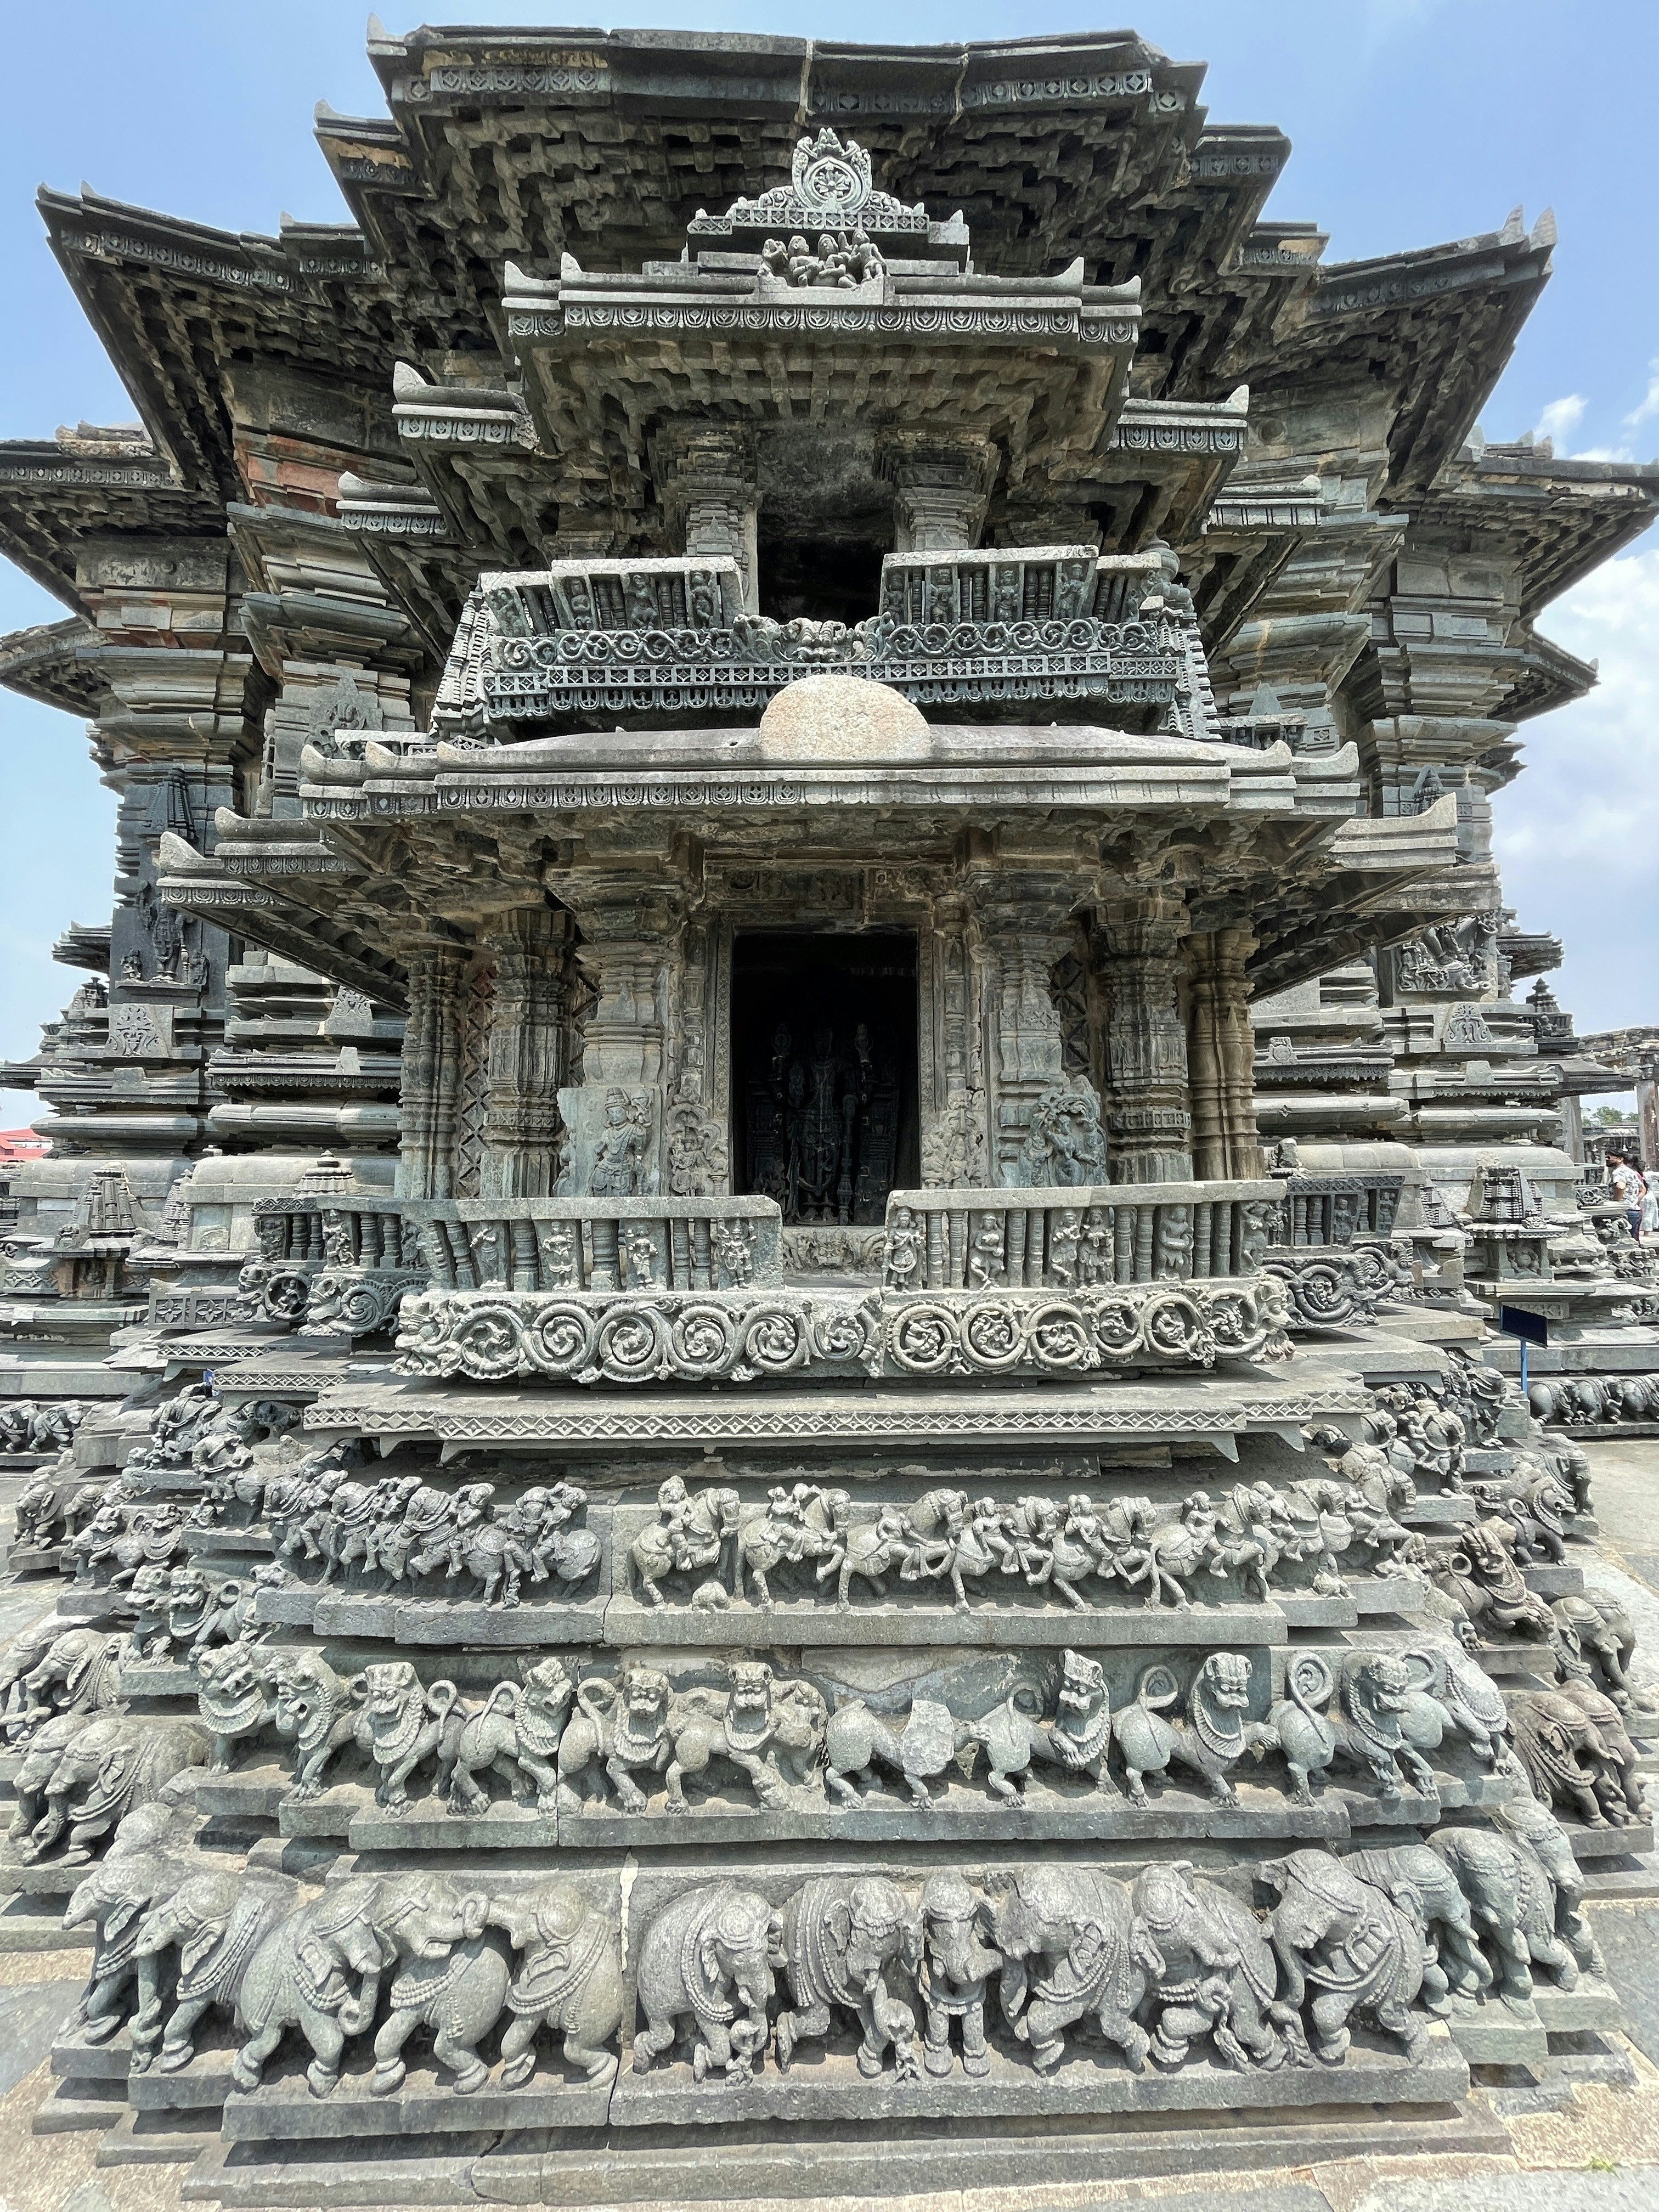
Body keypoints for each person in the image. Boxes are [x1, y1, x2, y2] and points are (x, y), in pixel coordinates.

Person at [1607, 1152, 1645, 1241]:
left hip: (1625, 1211)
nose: (1607, 1159)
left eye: (1609, 1157)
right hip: (1634, 1210)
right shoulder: (1631, 1171)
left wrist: (1617, 1202)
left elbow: (1621, 1187)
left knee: (1624, 1241)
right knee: (1634, 1241)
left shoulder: (1618, 1171)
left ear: (1620, 1159)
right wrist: (1635, 1201)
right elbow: (1643, 1190)